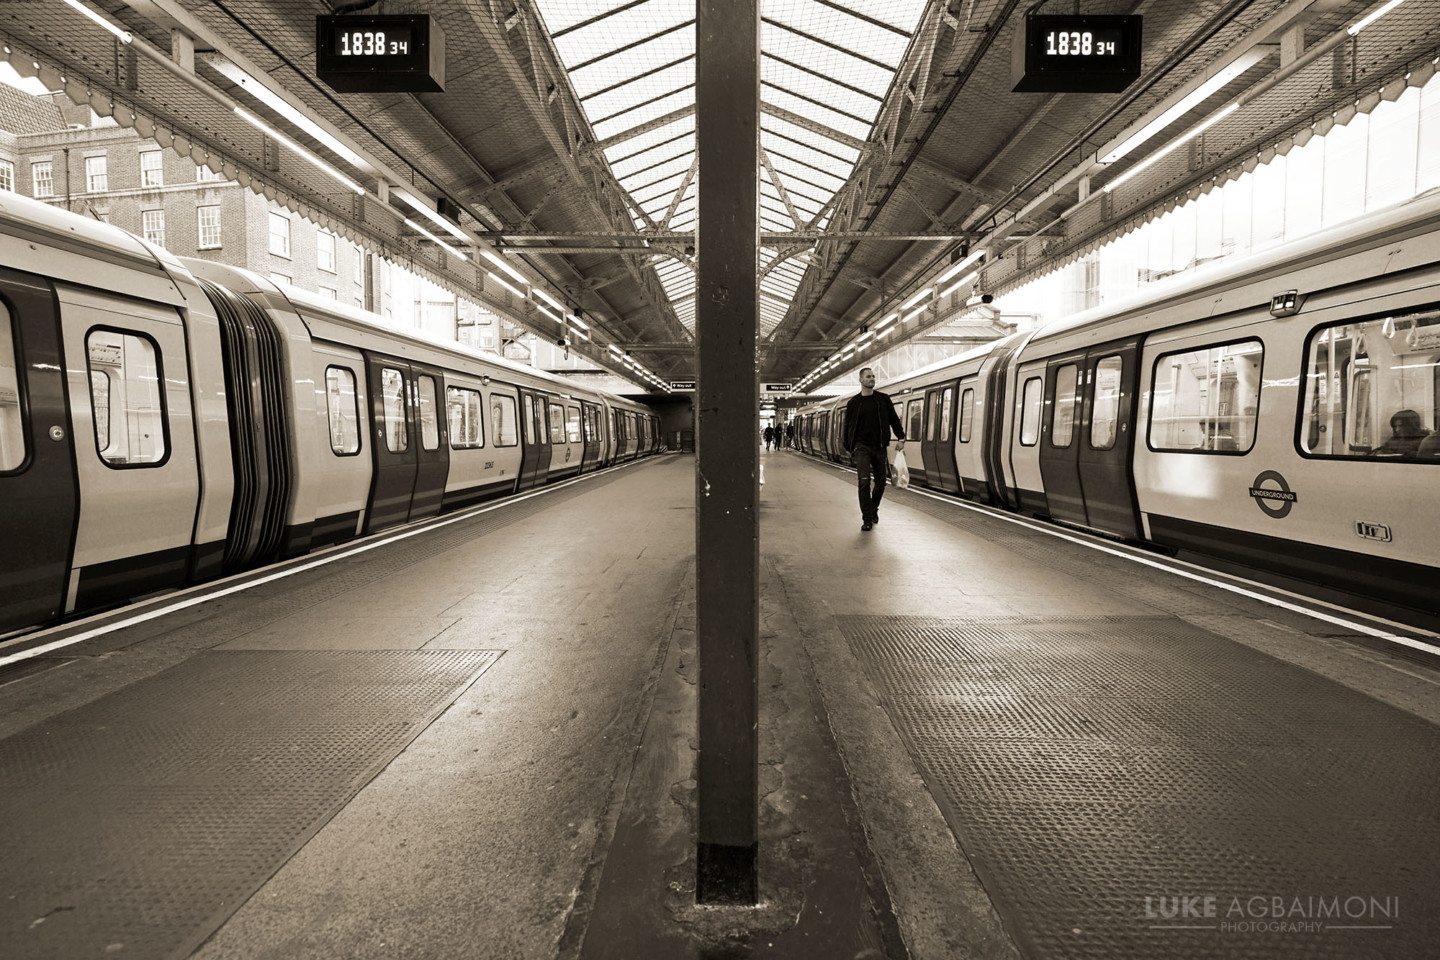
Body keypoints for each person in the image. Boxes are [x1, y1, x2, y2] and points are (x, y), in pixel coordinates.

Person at [843, 367, 906, 531]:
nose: (872, 379)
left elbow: (893, 419)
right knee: (864, 482)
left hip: (879, 447)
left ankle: (873, 508)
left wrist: (901, 437)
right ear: (861, 380)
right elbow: (847, 426)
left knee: (881, 483)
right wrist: (848, 446)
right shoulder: (853, 403)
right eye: (868, 377)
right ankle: (867, 519)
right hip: (861, 447)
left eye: (873, 376)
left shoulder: (883, 400)